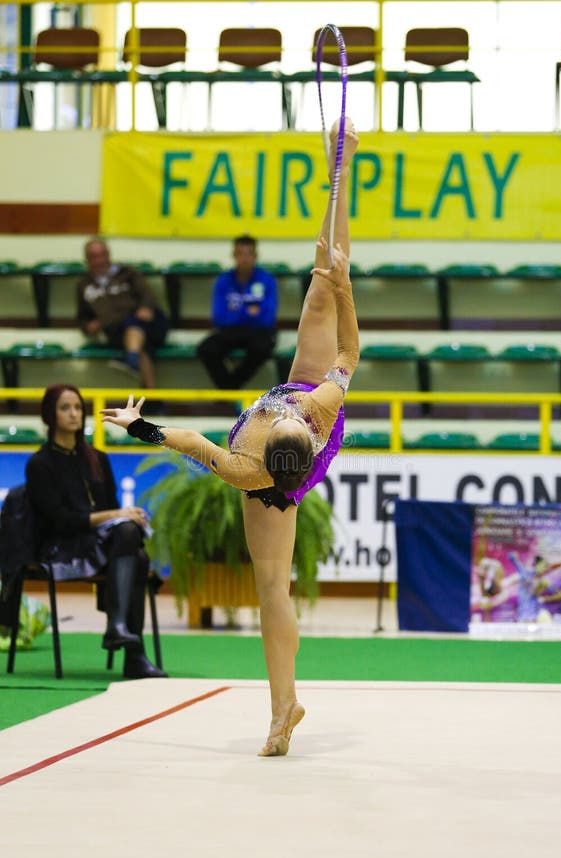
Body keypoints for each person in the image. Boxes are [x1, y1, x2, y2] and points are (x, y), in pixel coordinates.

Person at [102, 118, 359, 756]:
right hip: (303, 418)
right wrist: (346, 287)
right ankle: (342, 163)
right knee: (324, 282)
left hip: (282, 471)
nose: (294, 413)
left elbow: (191, 441)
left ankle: (282, 706)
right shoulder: (319, 403)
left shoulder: (254, 463)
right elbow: (351, 347)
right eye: (294, 415)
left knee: (271, 589)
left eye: (293, 417)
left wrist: (143, 427)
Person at [25, 383, 168, 679]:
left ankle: (120, 633)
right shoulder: (39, 463)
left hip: (99, 543)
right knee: (134, 550)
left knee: (131, 539)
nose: (74, 414)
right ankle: (132, 653)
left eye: (78, 407)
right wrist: (117, 515)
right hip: (61, 546)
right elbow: (58, 521)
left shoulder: (97, 458)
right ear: (49, 415)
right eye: (65, 408)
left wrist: (121, 516)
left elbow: (112, 508)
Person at [76, 238, 169, 392]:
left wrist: (146, 308)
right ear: (86, 260)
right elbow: (82, 318)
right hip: (116, 330)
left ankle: (131, 358)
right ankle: (152, 399)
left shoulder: (129, 273)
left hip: (148, 323)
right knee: (141, 347)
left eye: (102, 255)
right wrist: (89, 326)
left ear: (108, 255)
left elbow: (148, 296)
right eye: (94, 256)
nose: (99, 261)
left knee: (133, 324)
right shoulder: (83, 285)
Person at [197, 235, 278, 389]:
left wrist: (236, 312)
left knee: (261, 348)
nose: (245, 258)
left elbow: (268, 317)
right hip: (231, 331)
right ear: (234, 256)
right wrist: (248, 312)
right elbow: (218, 317)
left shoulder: (267, 280)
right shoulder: (223, 281)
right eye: (240, 253)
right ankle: (229, 388)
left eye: (249, 254)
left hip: (259, 331)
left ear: (255, 256)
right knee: (206, 349)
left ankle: (229, 388)